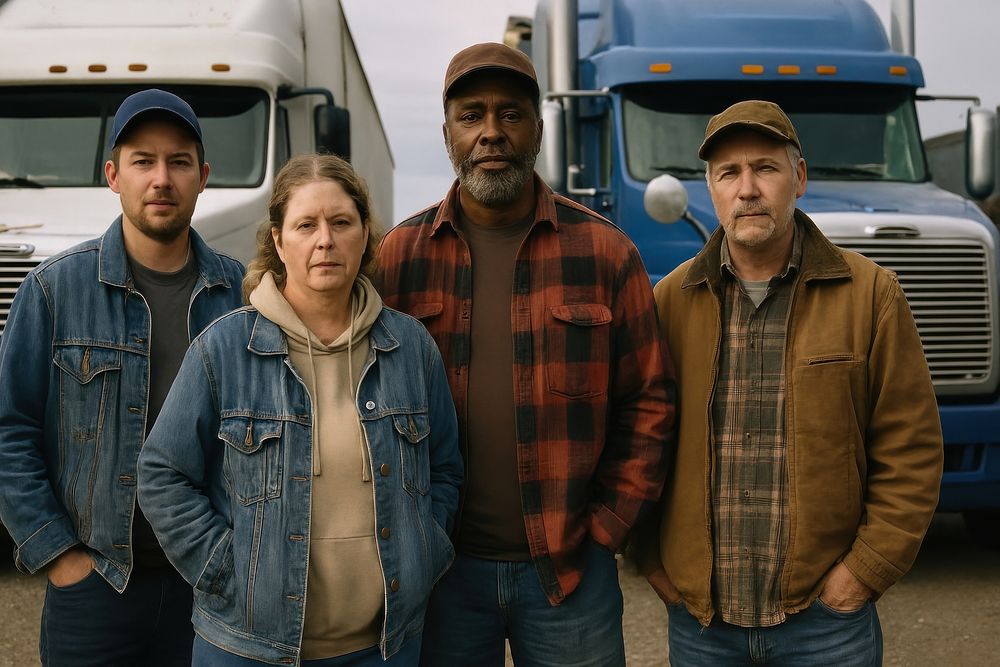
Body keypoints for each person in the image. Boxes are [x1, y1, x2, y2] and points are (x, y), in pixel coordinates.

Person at [375, 43, 673, 667]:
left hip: (568, 574)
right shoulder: (398, 259)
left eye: (510, 114)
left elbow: (649, 400)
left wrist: (608, 527)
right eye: (471, 115)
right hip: (442, 571)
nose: (491, 132)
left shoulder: (606, 252)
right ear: (448, 133)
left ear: (537, 128)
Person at [638, 100, 943, 665]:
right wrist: (653, 564)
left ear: (798, 178)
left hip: (824, 626)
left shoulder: (871, 295)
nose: (747, 188)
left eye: (766, 168)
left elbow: (912, 451)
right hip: (702, 626)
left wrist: (861, 575)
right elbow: (636, 440)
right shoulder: (668, 303)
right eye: (729, 173)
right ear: (711, 189)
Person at [137, 154, 463, 666]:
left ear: (364, 233)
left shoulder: (411, 347)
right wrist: (224, 569)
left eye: (341, 222)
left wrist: (428, 547)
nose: (325, 240)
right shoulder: (224, 348)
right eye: (306, 225)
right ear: (279, 240)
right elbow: (161, 474)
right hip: (246, 647)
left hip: (384, 646)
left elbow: (444, 467)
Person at [0, 89, 245, 665]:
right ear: (113, 175)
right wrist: (59, 557)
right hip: (96, 586)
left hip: (209, 585)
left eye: (179, 161)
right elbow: (9, 429)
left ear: (203, 176)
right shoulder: (54, 290)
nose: (162, 178)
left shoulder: (242, 296)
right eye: (143, 161)